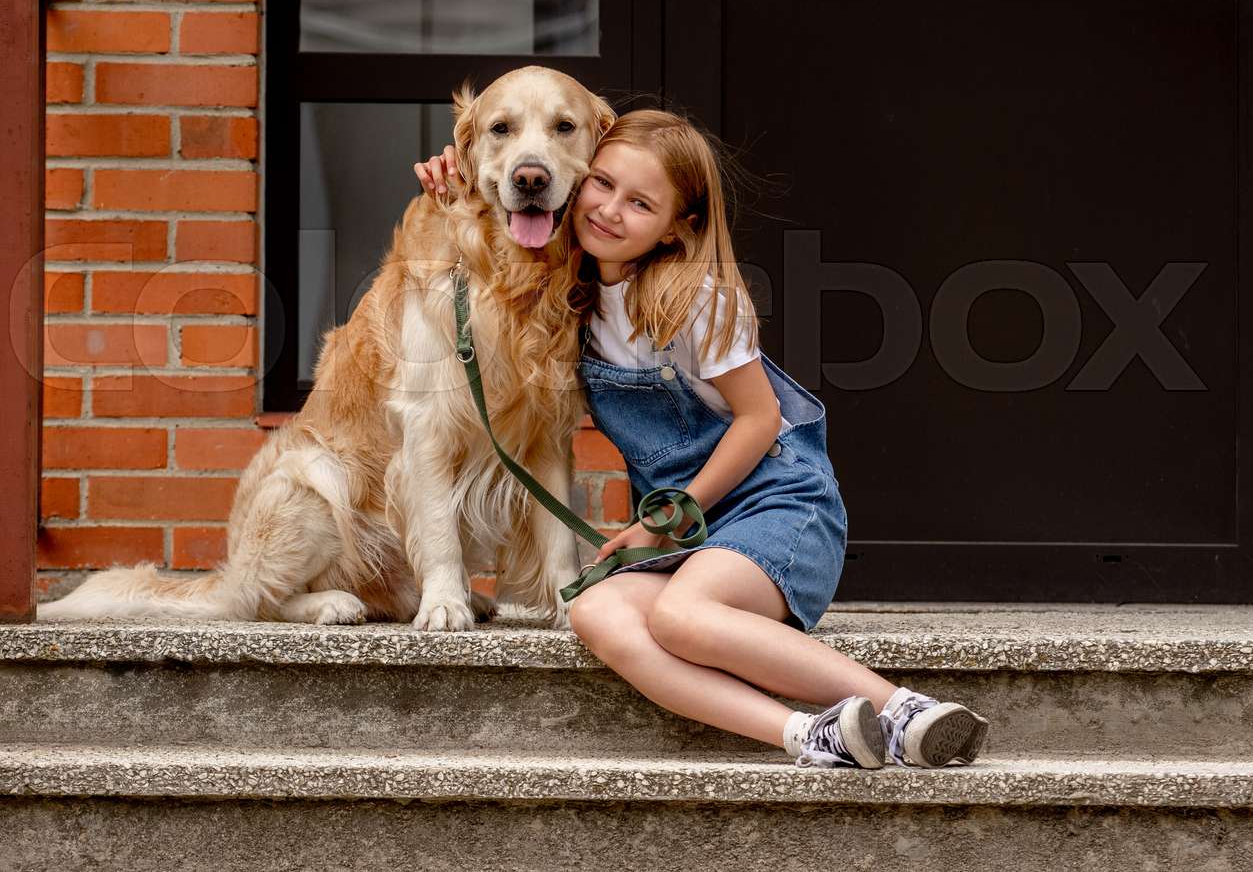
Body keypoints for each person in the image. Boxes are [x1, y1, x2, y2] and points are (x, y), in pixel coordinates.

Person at [414, 109, 989, 769]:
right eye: (600, 184)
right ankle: (809, 737)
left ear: (677, 228)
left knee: (681, 617)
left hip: (777, 509)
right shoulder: (568, 283)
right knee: (595, 614)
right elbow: (499, 236)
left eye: (640, 203)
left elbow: (759, 419)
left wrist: (668, 516)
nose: (608, 209)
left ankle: (902, 711)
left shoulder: (696, 300)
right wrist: (456, 187)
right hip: (693, 533)